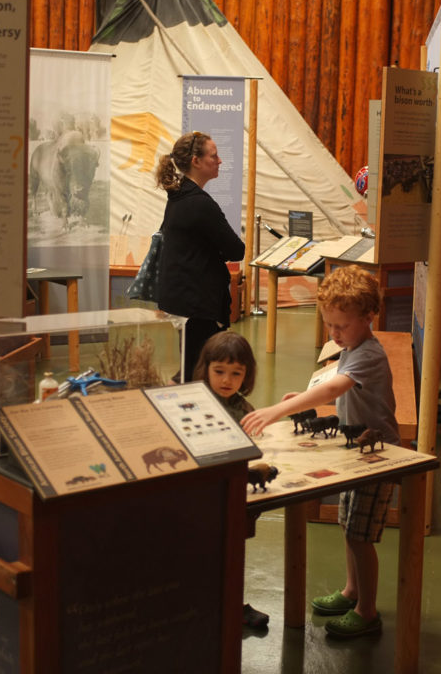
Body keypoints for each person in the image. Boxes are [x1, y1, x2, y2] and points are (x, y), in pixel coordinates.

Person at [240, 265, 399, 639]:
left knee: (360, 536)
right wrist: (305, 400)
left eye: (341, 326)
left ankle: (367, 610)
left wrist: (280, 410)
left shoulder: (369, 354)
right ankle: (351, 591)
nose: (334, 333)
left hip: (380, 456)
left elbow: (333, 391)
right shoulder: (352, 347)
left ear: (367, 317)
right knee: (348, 525)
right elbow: (339, 390)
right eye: (329, 325)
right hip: (354, 453)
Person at [192, 330, 269, 630]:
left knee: (233, 551)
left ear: (246, 375)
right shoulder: (194, 402)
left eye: (236, 373)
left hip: (235, 493)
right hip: (202, 495)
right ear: (206, 369)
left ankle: (231, 601)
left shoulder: (245, 409)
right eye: (219, 371)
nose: (226, 380)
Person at [155, 131, 245, 380]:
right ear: (196, 161)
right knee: (197, 370)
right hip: (197, 302)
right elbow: (236, 250)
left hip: (184, 299)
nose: (220, 161)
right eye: (213, 156)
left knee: (193, 363)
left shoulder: (178, 196)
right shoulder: (199, 203)